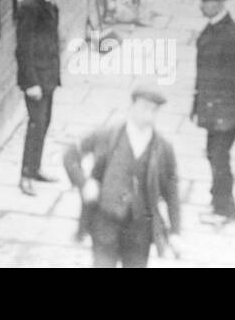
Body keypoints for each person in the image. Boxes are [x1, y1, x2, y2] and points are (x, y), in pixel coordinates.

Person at [64, 85, 182, 268]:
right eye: (144, 107)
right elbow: (71, 155)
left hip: (139, 230)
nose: (148, 114)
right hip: (105, 221)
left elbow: (172, 191)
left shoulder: (163, 148)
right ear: (132, 107)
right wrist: (84, 183)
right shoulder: (107, 135)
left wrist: (175, 231)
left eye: (153, 110)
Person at [192, 0, 235, 227]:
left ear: (218, 3)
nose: (201, 5)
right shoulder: (214, 28)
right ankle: (219, 201)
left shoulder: (231, 36)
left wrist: (221, 112)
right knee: (214, 155)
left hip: (225, 111)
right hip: (213, 108)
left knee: (219, 157)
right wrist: (197, 107)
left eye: (205, 1)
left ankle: (225, 210)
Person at [15, 0, 64, 195]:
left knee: (44, 123)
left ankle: (35, 168)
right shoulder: (30, 6)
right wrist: (31, 82)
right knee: (36, 124)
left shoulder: (50, 2)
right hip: (36, 79)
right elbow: (23, 48)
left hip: (48, 77)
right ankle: (26, 175)